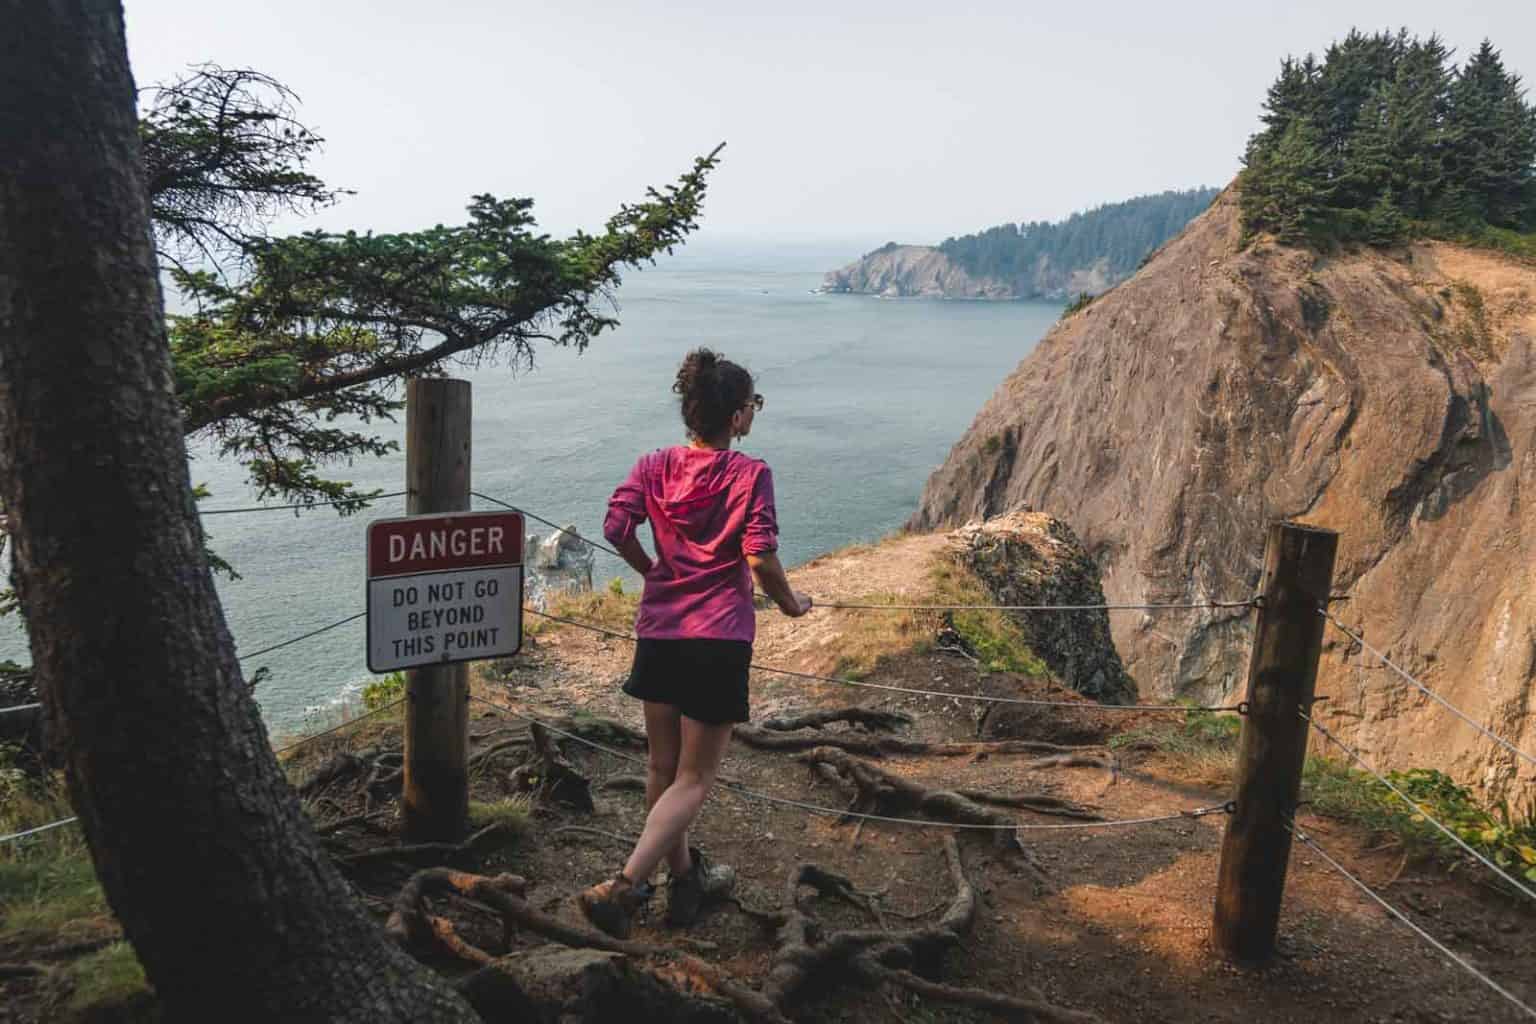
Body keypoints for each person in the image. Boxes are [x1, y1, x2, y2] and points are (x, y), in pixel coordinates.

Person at [577, 347, 813, 937]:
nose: (752, 415)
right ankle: (626, 886)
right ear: (735, 417)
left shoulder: (654, 465)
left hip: (660, 631)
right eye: (750, 406)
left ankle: (684, 881)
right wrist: (792, 603)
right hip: (717, 639)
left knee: (662, 767)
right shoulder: (749, 474)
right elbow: (758, 556)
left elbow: (615, 526)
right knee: (695, 778)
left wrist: (650, 570)